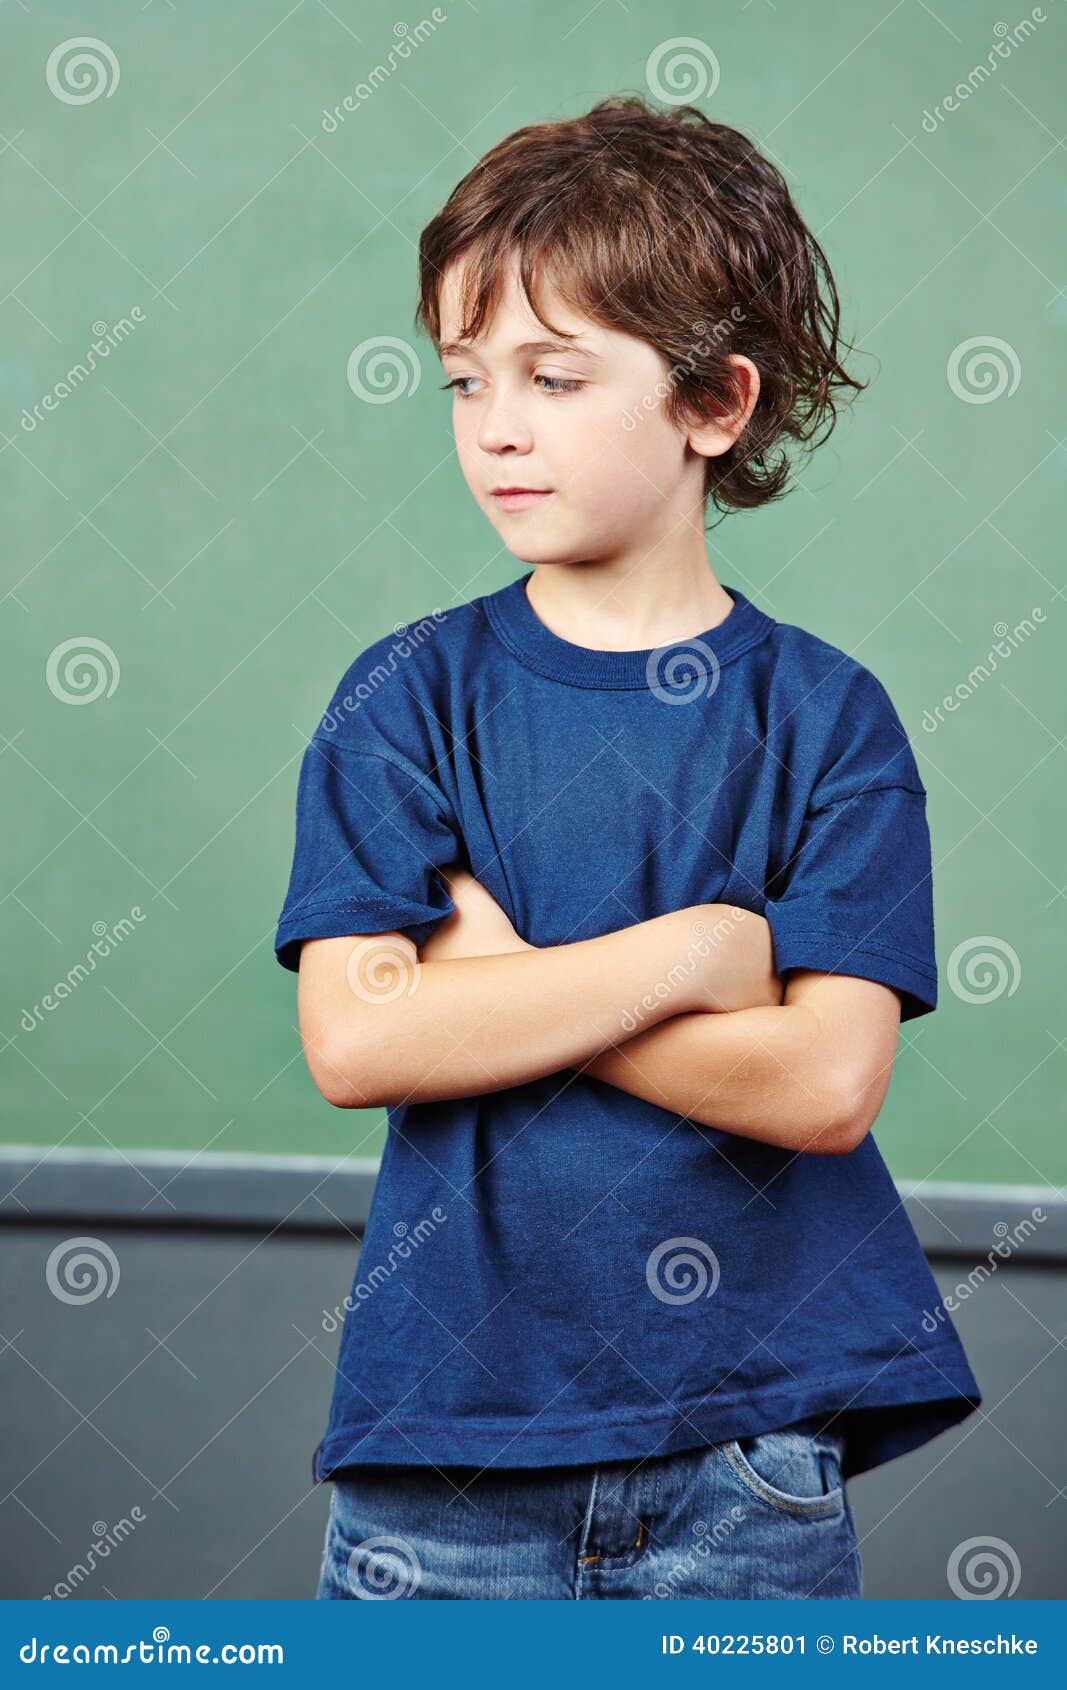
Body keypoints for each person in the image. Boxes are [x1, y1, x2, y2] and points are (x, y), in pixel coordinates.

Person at [274, 96, 981, 1601]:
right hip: (445, 1453)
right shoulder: (403, 699)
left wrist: (511, 984)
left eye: (552, 373)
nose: (496, 426)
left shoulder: (830, 720)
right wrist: (694, 956)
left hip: (748, 1460)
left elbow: (827, 1082)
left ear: (714, 404)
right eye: (465, 381)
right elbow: (354, 1035)